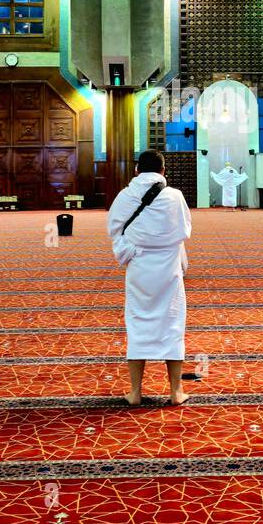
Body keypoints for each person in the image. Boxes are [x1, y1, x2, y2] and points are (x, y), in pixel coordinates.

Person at [107, 150, 193, 406]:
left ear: (136, 170)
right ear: (163, 171)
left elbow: (114, 228)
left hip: (139, 267)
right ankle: (176, 392)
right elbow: (184, 230)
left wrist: (136, 244)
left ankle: (135, 392)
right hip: (168, 268)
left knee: (138, 323)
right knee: (173, 323)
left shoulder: (125, 195)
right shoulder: (175, 196)